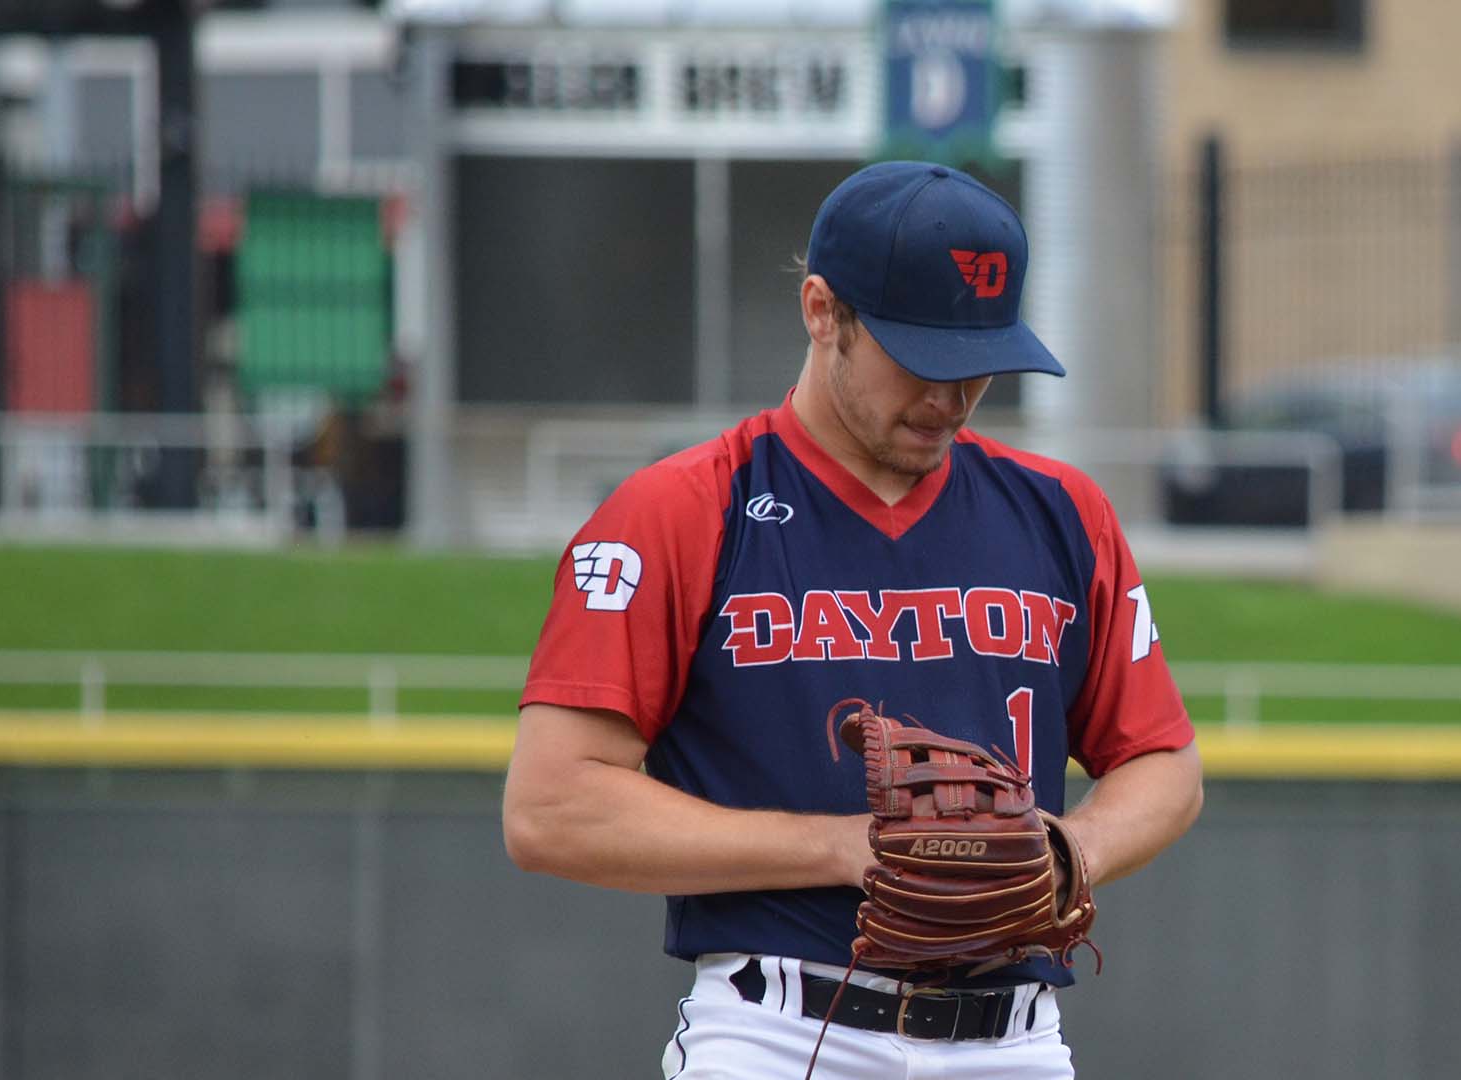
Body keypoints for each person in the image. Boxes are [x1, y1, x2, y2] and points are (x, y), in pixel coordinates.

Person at [504, 161, 1203, 1079]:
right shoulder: (684, 510)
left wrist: (1073, 852)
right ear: (822, 312)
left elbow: (1165, 764)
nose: (950, 397)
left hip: (1017, 1041)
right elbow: (551, 808)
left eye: (978, 362)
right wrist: (841, 849)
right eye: (920, 358)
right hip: (780, 1033)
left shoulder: (1062, 512)